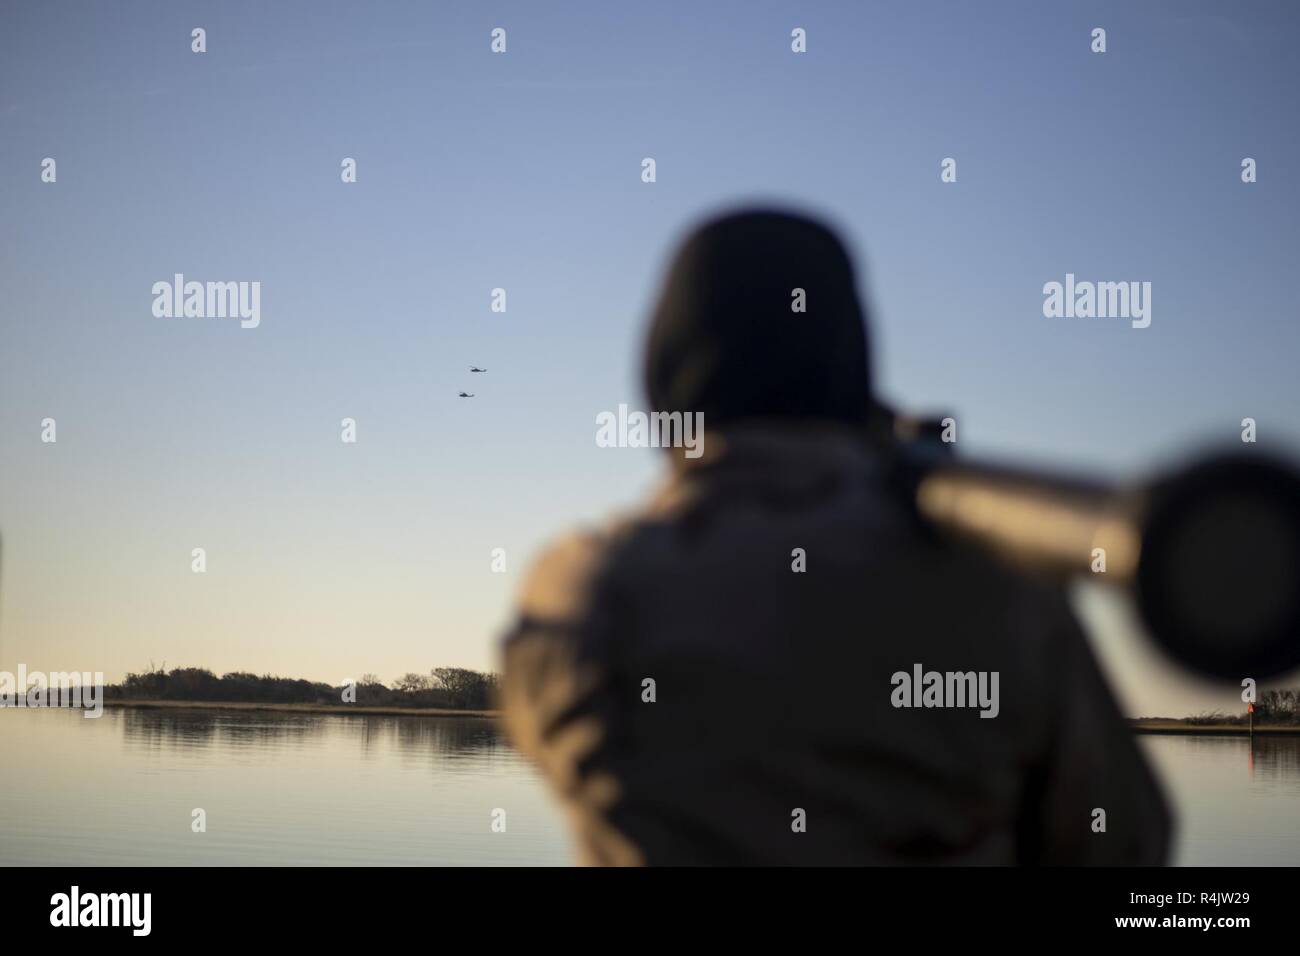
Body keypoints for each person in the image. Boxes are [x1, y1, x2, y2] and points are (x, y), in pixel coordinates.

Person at [499, 209, 1171, 865]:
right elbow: (1126, 843)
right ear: (851, 368)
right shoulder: (1003, 589)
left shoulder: (583, 591)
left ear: (660, 383)